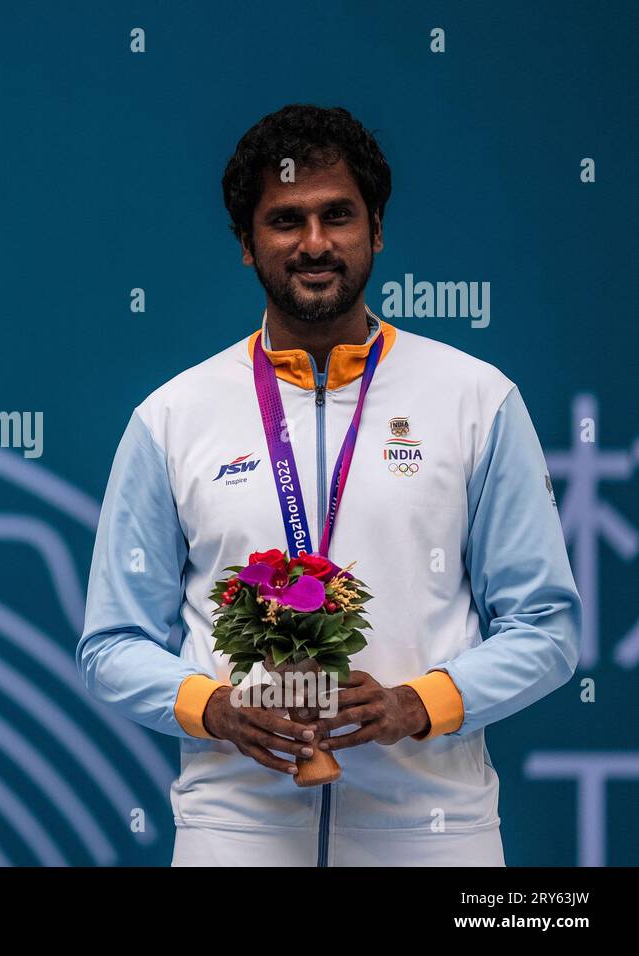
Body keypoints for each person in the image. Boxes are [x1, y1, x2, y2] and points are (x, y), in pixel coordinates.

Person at [76, 105, 581, 866]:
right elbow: (112, 643)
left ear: (375, 229)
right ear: (247, 245)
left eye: (337, 215)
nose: (315, 243)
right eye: (285, 221)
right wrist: (216, 710)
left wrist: (419, 704)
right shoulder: (172, 417)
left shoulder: (475, 400)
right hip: (233, 834)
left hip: (434, 833)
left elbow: (547, 627)